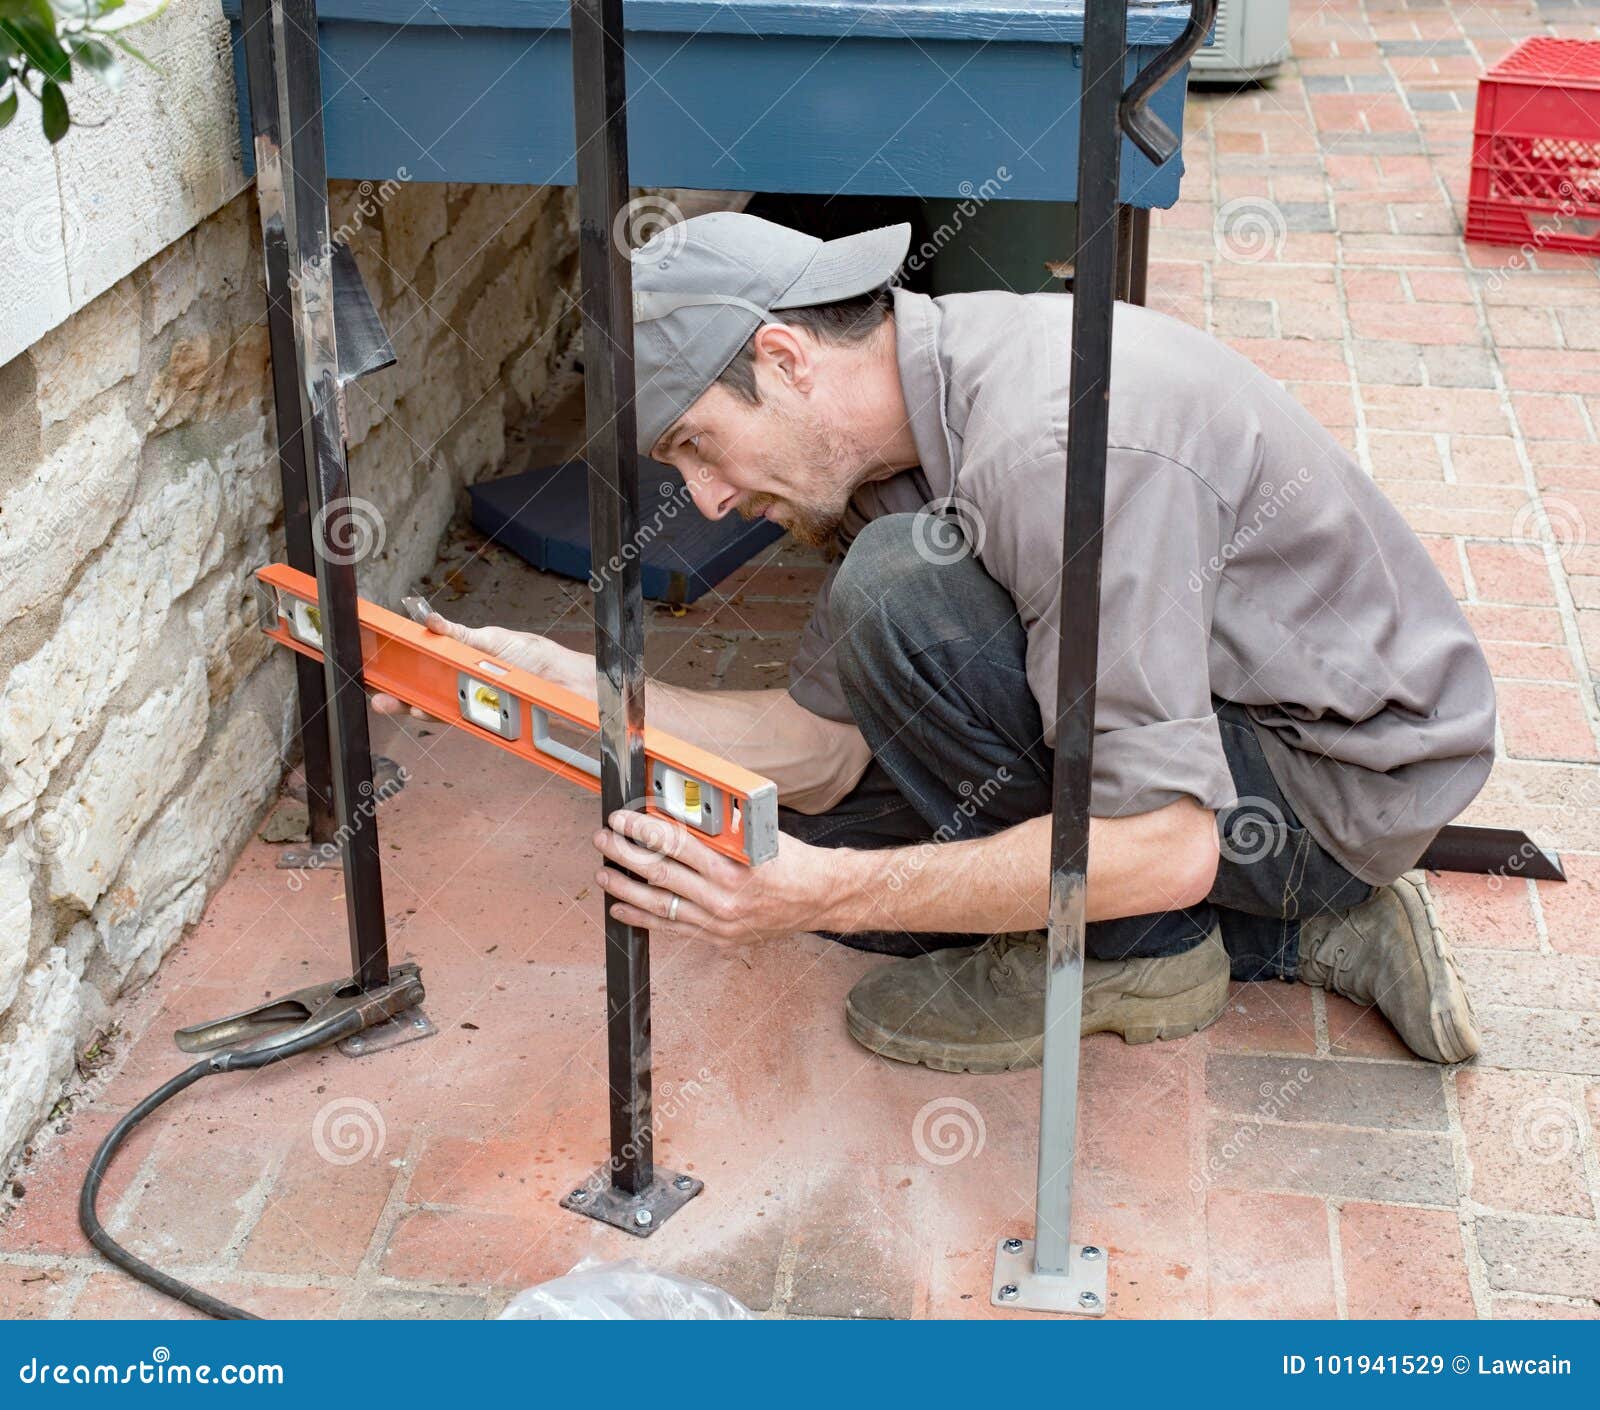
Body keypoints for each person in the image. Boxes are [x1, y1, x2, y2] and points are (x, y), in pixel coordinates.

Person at [380, 212, 1497, 1069]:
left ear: (784, 357)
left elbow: (1165, 844)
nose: (708, 501)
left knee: (858, 859)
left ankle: (1182, 951)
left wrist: (816, 898)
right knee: (834, 833)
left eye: (699, 446)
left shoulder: (1051, 450)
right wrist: (571, 683)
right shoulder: (902, 427)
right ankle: (1245, 938)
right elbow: (823, 749)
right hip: (1218, 724)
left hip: (1325, 790)